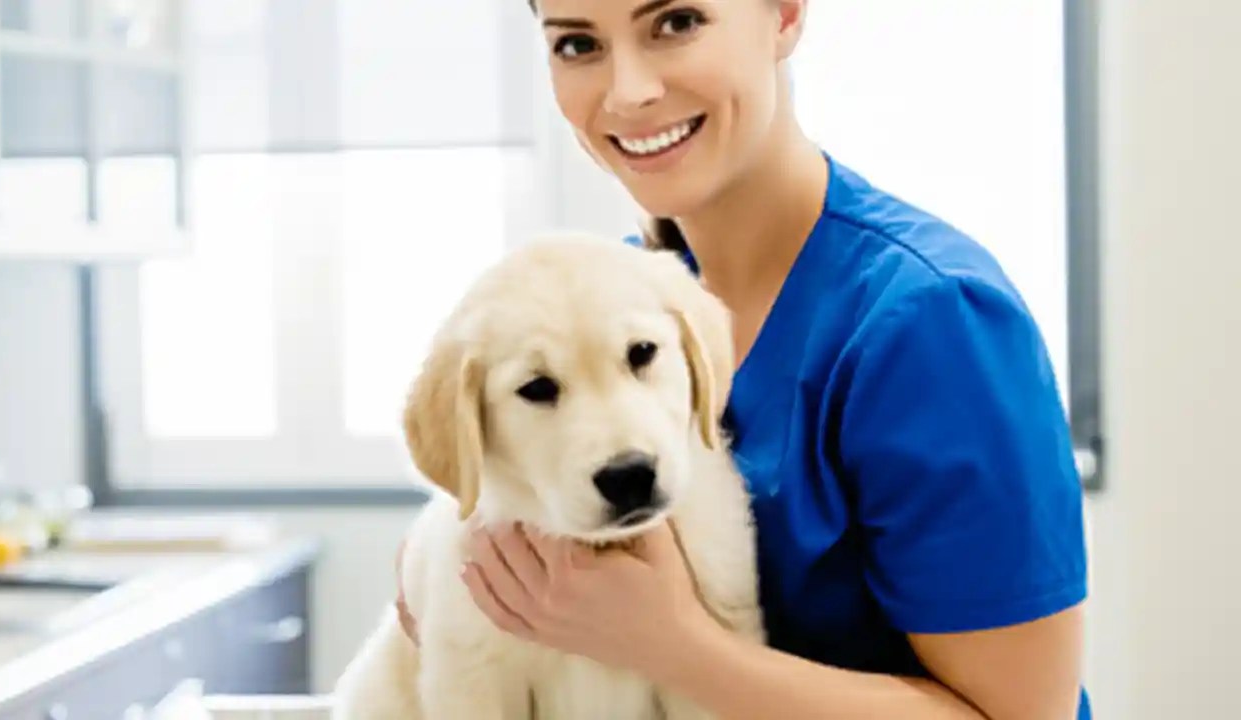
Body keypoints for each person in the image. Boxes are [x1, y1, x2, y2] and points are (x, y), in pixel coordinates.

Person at [395, 0, 1090, 717]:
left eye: (676, 22)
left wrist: (677, 648)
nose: (628, 90)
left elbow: (1024, 715)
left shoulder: (930, 320)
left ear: (785, 14)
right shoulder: (627, 298)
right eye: (577, 44)